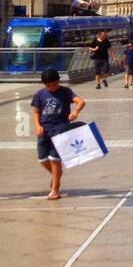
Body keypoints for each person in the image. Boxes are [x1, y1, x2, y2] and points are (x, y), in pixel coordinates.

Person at [31, 68, 86, 201]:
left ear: (58, 82)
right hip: (44, 130)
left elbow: (81, 101)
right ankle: (57, 175)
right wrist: (37, 126)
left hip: (61, 130)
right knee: (42, 159)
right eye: (48, 85)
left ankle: (55, 190)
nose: (52, 88)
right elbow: (36, 112)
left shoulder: (66, 92)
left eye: (54, 84)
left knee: (55, 160)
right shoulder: (40, 94)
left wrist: (75, 111)